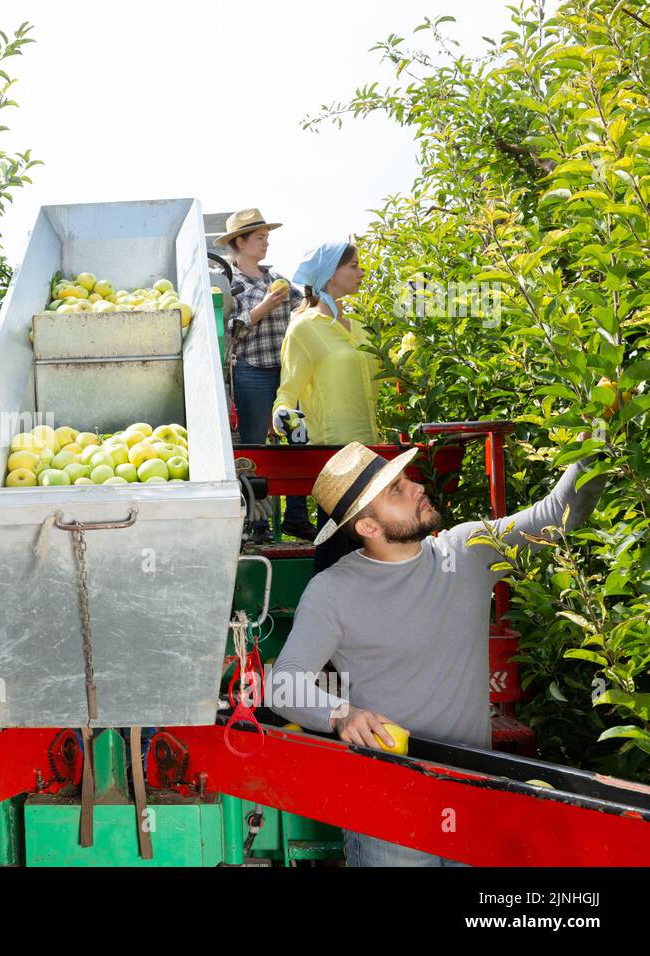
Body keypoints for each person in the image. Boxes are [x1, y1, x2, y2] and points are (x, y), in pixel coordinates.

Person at [269, 439, 608, 865]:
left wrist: (591, 445)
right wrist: (343, 714)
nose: (416, 489)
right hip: (388, 808)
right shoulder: (332, 591)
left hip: (471, 793)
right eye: (396, 490)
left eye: (406, 480)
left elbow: (556, 516)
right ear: (369, 528)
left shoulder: (467, 551)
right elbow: (284, 684)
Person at [271, 241, 379, 571]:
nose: (362, 272)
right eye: (354, 266)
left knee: (370, 553)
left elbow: (389, 375)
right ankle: (323, 617)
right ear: (331, 275)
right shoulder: (304, 328)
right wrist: (283, 417)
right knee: (337, 552)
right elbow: (287, 392)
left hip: (374, 453)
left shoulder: (360, 325)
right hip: (335, 457)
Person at [220, 208, 310, 542]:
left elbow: (306, 311)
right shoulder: (231, 283)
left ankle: (296, 517)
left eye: (267, 238)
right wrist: (265, 307)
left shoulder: (276, 280)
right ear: (240, 242)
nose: (265, 243)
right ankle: (257, 523)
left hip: (286, 374)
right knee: (256, 451)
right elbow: (231, 331)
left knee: (298, 439)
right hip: (252, 373)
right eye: (260, 238)